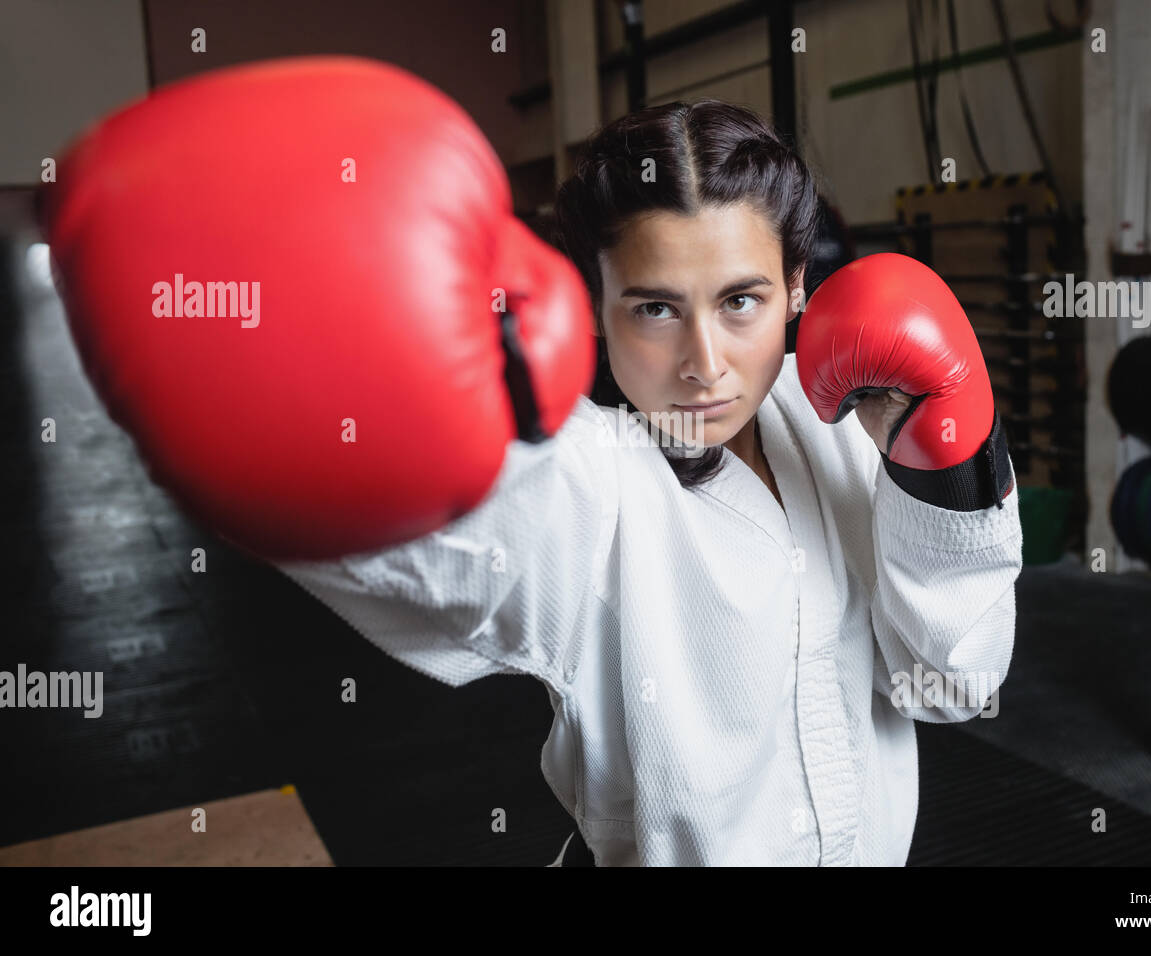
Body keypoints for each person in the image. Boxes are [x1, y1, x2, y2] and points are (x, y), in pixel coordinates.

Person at [42, 59, 1020, 866]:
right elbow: (419, 533)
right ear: (593, 303)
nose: (703, 364)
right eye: (653, 306)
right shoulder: (587, 486)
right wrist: (263, 402)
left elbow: (954, 685)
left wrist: (946, 462)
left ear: (799, 285)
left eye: (740, 300)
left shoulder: (852, 427)